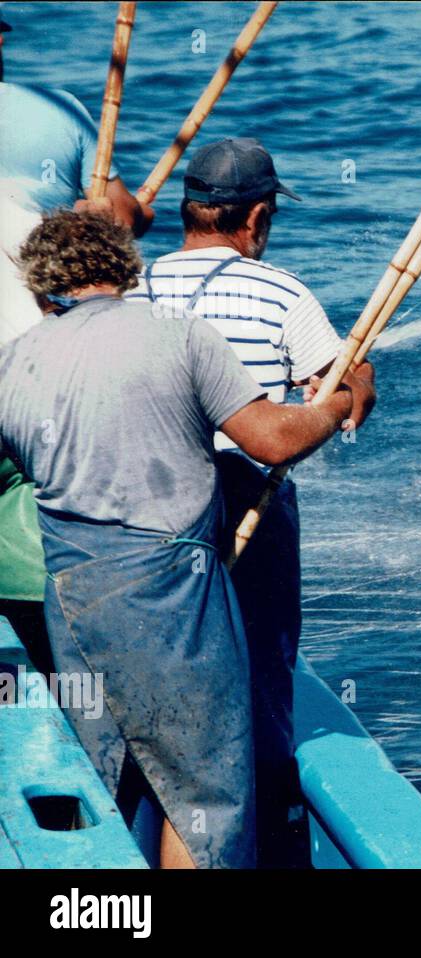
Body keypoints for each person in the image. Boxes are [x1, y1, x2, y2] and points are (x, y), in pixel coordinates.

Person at [0, 210, 375, 868]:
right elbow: (273, 438)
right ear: (126, 268)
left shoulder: (14, 361)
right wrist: (337, 404)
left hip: (71, 601)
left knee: (104, 787)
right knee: (205, 799)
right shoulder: (180, 335)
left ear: (40, 288)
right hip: (175, 602)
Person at [125, 137, 376, 867]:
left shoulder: (134, 287)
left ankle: (143, 825)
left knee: (163, 669)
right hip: (246, 502)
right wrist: (356, 380)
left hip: (143, 511)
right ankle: (263, 832)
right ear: (257, 218)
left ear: (186, 212)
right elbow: (339, 391)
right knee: (260, 667)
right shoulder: (281, 292)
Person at [0, 8, 154, 678]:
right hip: (43, 361)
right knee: (48, 509)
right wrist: (116, 212)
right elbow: (121, 221)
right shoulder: (53, 112)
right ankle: (64, 660)